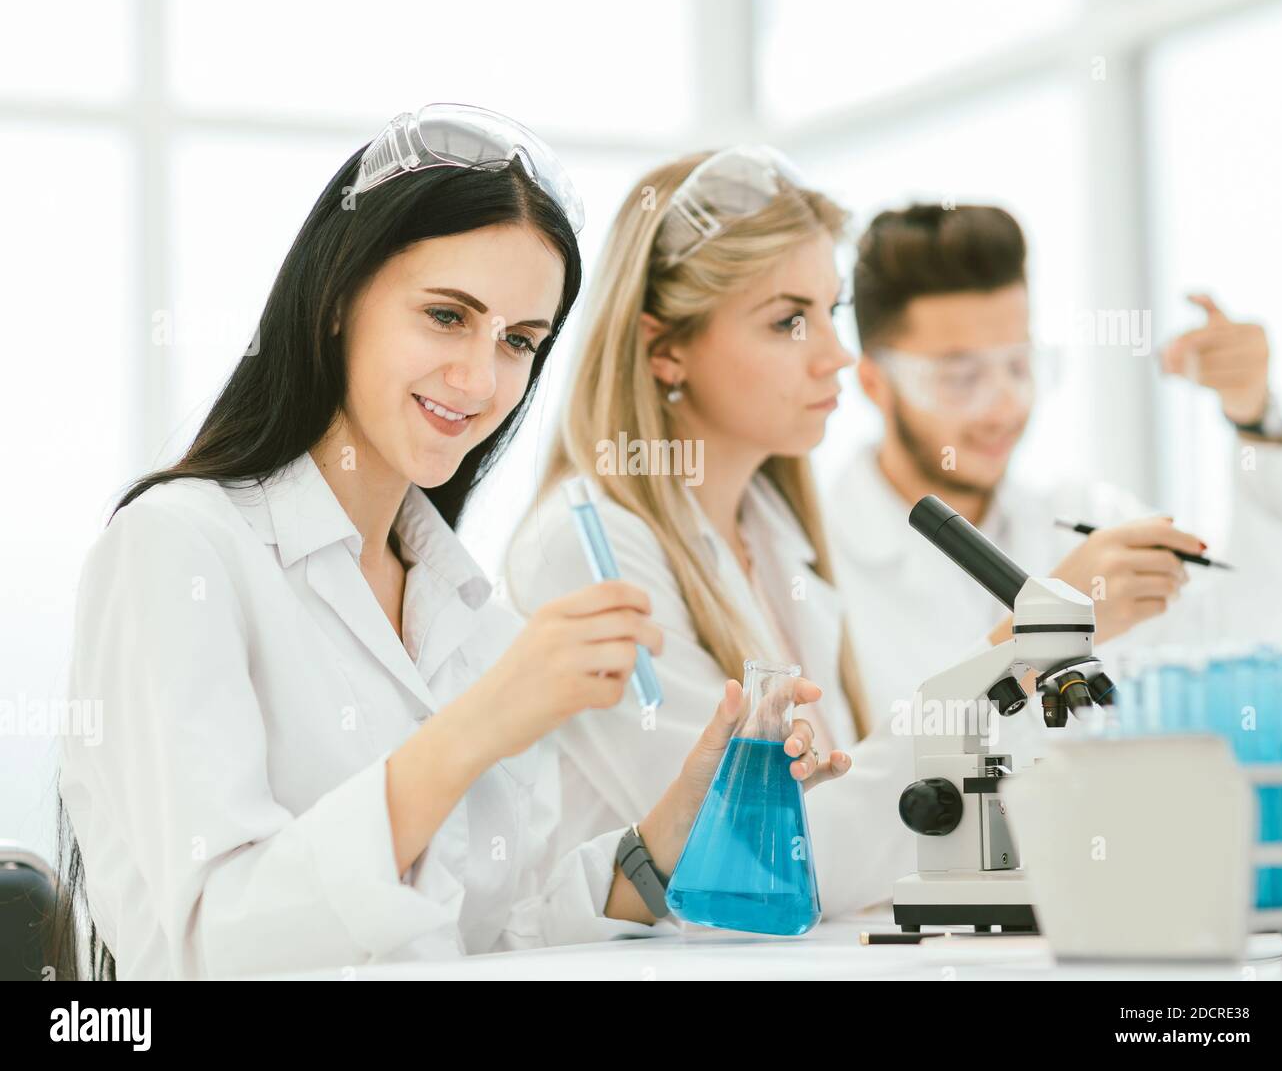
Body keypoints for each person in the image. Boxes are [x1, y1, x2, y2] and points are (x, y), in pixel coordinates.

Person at [53, 106, 844, 980]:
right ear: (336, 299)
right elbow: (207, 942)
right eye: (444, 316)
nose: (480, 378)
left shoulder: (466, 613)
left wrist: (668, 837)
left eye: (518, 341)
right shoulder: (178, 551)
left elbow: (499, 940)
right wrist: (476, 728)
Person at [505, 146, 914, 917]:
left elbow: (846, 805)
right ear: (666, 351)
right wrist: (989, 686)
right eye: (790, 320)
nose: (836, 355)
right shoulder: (590, 547)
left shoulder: (775, 533)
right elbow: (764, 860)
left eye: (835, 311)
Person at [826, 203, 1282, 752]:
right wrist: (1049, 626)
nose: (1001, 407)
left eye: (1018, 366)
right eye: (960, 377)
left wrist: (1257, 420)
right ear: (875, 383)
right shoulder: (817, 561)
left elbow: (1254, 637)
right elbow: (854, 795)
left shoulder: (1088, 518)